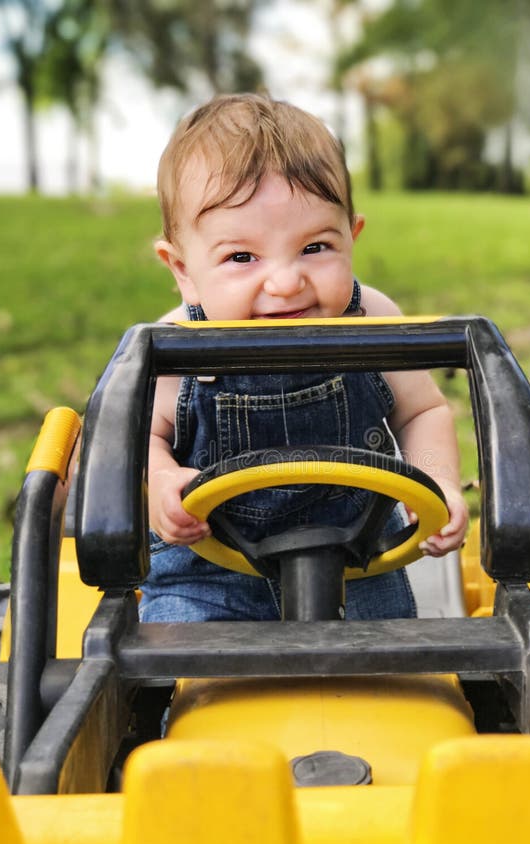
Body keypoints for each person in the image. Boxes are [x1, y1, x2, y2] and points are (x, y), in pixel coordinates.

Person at [139, 93, 468, 623]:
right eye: (242, 257)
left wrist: (437, 480)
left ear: (351, 237)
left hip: (357, 568)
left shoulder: (372, 319)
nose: (287, 282)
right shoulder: (173, 347)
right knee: (175, 683)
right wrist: (159, 477)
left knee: (399, 684)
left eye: (315, 248)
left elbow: (422, 411)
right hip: (206, 576)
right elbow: (137, 436)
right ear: (182, 269)